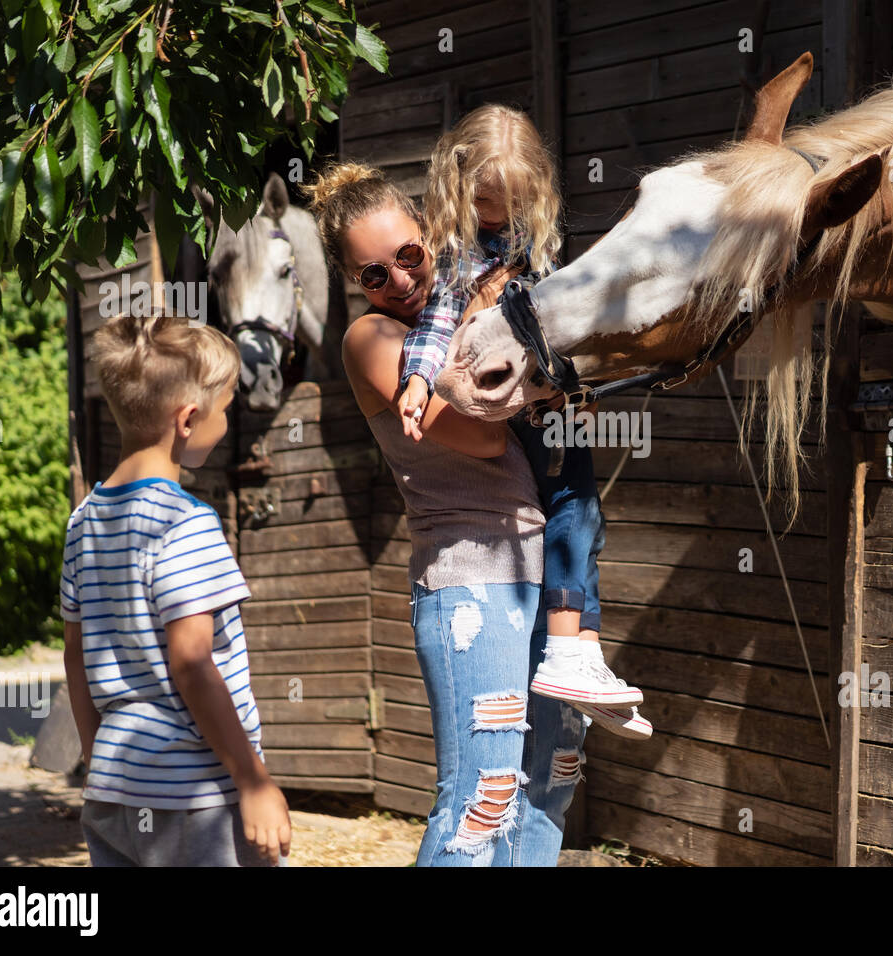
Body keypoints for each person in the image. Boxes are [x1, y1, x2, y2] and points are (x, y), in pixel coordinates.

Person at [307, 160, 585, 865]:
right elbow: (481, 434)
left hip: (543, 572)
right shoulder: (372, 340)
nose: (400, 280)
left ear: (430, 235)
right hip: (470, 582)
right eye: (375, 274)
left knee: (547, 790)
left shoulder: (461, 305)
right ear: (353, 281)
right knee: (480, 799)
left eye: (409, 255)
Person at [394, 105, 650, 738]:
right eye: (485, 199)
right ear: (458, 181)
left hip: (542, 398)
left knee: (583, 513)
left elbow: (559, 329)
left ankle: (583, 650)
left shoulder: (537, 247)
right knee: (572, 504)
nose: (496, 213)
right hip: (502, 406)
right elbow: (436, 325)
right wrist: (418, 378)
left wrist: (578, 387)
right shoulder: (454, 251)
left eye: (509, 201)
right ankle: (568, 648)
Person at [61, 315, 290, 867]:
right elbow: (191, 663)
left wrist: (96, 758)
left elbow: (75, 655)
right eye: (227, 405)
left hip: (115, 790)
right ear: (188, 419)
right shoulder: (186, 523)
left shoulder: (83, 521)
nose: (229, 419)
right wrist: (253, 780)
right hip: (196, 797)